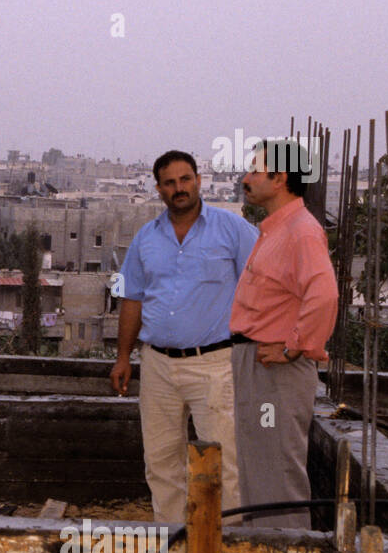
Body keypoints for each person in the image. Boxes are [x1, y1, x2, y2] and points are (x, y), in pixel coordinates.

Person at [111, 150, 258, 523]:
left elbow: (262, 282)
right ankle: (173, 545)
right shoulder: (146, 238)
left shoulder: (232, 229)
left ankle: (228, 551)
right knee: (161, 461)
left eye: (185, 179)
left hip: (214, 364)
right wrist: (124, 357)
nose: (179, 188)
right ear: (158, 189)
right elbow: (131, 298)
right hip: (158, 365)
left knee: (223, 460)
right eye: (170, 182)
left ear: (198, 180)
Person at [229, 139, 338, 529]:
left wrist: (295, 349)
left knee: (277, 475)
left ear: (280, 178)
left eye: (255, 171)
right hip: (258, 365)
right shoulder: (277, 230)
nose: (246, 179)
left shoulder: (301, 231)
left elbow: (324, 295)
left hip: (276, 372)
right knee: (258, 470)